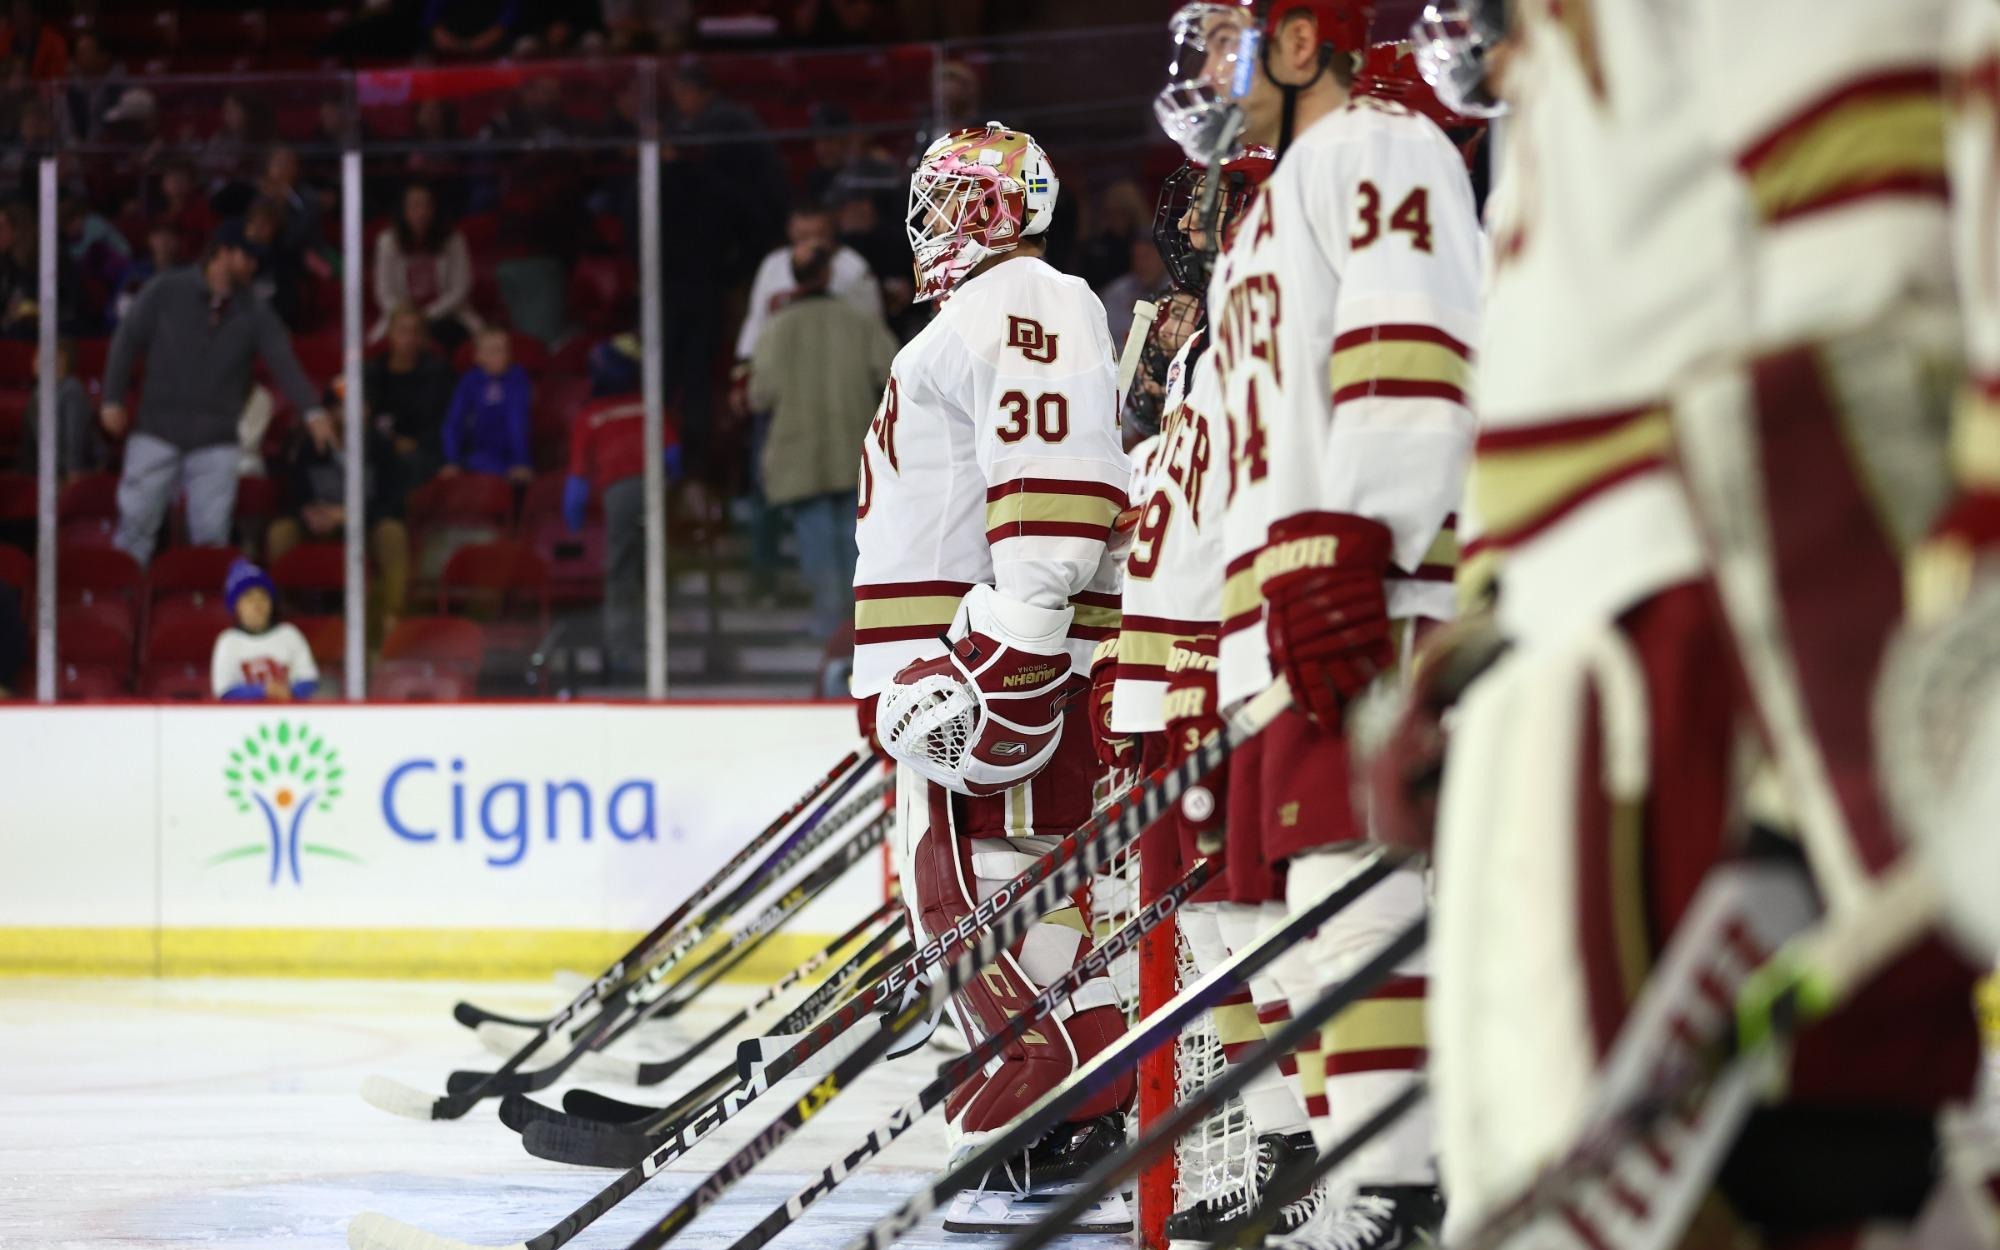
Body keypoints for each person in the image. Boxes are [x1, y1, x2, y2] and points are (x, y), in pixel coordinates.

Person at [1398, 2, 1985, 1247]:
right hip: (1593, 640)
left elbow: (1862, 263)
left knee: (1773, 1184)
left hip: (1709, 628)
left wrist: (1848, 699)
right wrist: (1493, 612)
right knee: (1559, 1188)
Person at [1158, 5, 1483, 1245]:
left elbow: (1410, 349)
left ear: (1299, 46)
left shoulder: (1379, 143)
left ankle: (1398, 1194)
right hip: (1269, 607)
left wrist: (1360, 536)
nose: (1201, 71)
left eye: (1223, 41)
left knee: (1350, 886)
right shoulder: (1266, 213)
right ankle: (1365, 1179)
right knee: (1289, 923)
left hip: (1356, 582)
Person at [855, 122, 1134, 1234]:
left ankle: (1064, 1111)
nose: (923, 225)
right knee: (989, 883)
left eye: (940, 202)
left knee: (983, 881)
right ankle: (1080, 1116)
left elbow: (1054, 476)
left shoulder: (1022, 296)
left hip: (982, 660)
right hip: (949, 665)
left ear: (985, 208)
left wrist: (1017, 645)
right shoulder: (980, 313)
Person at [1096, 148, 1322, 1248]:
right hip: (1175, 667)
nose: (1189, 225)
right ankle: (1284, 1139)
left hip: (1225, 662)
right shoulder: (1199, 344)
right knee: (1211, 919)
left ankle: (1329, 1134)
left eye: (1212, 204)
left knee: (1264, 910)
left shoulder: (1283, 317)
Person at [101, 238, 327, 565]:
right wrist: (112, 398)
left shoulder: (254, 309)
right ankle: (127, 593)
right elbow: (127, 338)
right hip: (156, 430)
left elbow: (283, 360)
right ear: (221, 253)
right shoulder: (167, 288)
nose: (253, 266)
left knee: (211, 540)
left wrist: (312, 410)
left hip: (215, 439)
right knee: (134, 531)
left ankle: (202, 597)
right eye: (246, 257)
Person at [748, 246, 899, 665]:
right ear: (829, 274)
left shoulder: (776, 327)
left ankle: (829, 630)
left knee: (816, 540)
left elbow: (759, 394)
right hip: (854, 445)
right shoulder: (860, 321)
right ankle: (860, 630)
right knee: (857, 538)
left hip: (799, 450)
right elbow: (893, 374)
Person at [563, 335, 681, 670]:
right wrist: (671, 484)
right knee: (651, 568)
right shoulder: (648, 405)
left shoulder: (592, 414)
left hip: (621, 492)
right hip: (654, 488)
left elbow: (577, 479)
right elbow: (673, 456)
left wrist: (574, 520)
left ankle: (624, 652)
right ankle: (653, 647)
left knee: (620, 573)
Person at [733, 201, 883, 383]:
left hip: (836, 370)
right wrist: (746, 364)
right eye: (803, 236)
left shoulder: (854, 267)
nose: (812, 243)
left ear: (831, 230)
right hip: (783, 367)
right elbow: (758, 318)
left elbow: (873, 325)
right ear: (790, 231)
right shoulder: (773, 264)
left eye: (819, 235)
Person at [370, 182, 482, 350]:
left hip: (447, 314)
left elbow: (460, 288)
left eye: (426, 205)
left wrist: (426, 315)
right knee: (395, 342)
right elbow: (384, 292)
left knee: (445, 335)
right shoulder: (387, 242)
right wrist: (407, 316)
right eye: (415, 205)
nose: (421, 212)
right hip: (401, 315)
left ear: (434, 209)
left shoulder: (454, 240)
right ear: (403, 210)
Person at [365, 303, 456, 498]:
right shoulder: (371, 372)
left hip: (422, 449)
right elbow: (360, 418)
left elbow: (446, 420)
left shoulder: (438, 372)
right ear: (389, 333)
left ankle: (394, 514)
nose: (409, 338)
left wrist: (415, 442)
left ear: (424, 337)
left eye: (416, 331)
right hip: (377, 445)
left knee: (409, 463)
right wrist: (388, 442)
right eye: (403, 331)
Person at [212, 559, 319, 702]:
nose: (257, 604)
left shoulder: (289, 634)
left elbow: (309, 679)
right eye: (249, 598)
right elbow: (225, 692)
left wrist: (291, 692)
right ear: (236, 605)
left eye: (263, 597)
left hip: (290, 714)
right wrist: (264, 691)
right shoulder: (228, 641)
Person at [440, 326, 532, 481]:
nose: (498, 356)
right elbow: (453, 422)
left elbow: (517, 423)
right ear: (478, 356)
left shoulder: (518, 378)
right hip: (477, 456)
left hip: (510, 457)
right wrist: (451, 460)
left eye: (502, 350)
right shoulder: (470, 381)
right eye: (491, 351)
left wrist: (522, 462)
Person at [14, 338, 106, 485]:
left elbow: (74, 436)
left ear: (61, 360)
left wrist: (73, 471)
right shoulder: (38, 392)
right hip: (52, 469)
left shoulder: (72, 389)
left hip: (81, 468)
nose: (35, 361)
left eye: (41, 356)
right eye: (36, 356)